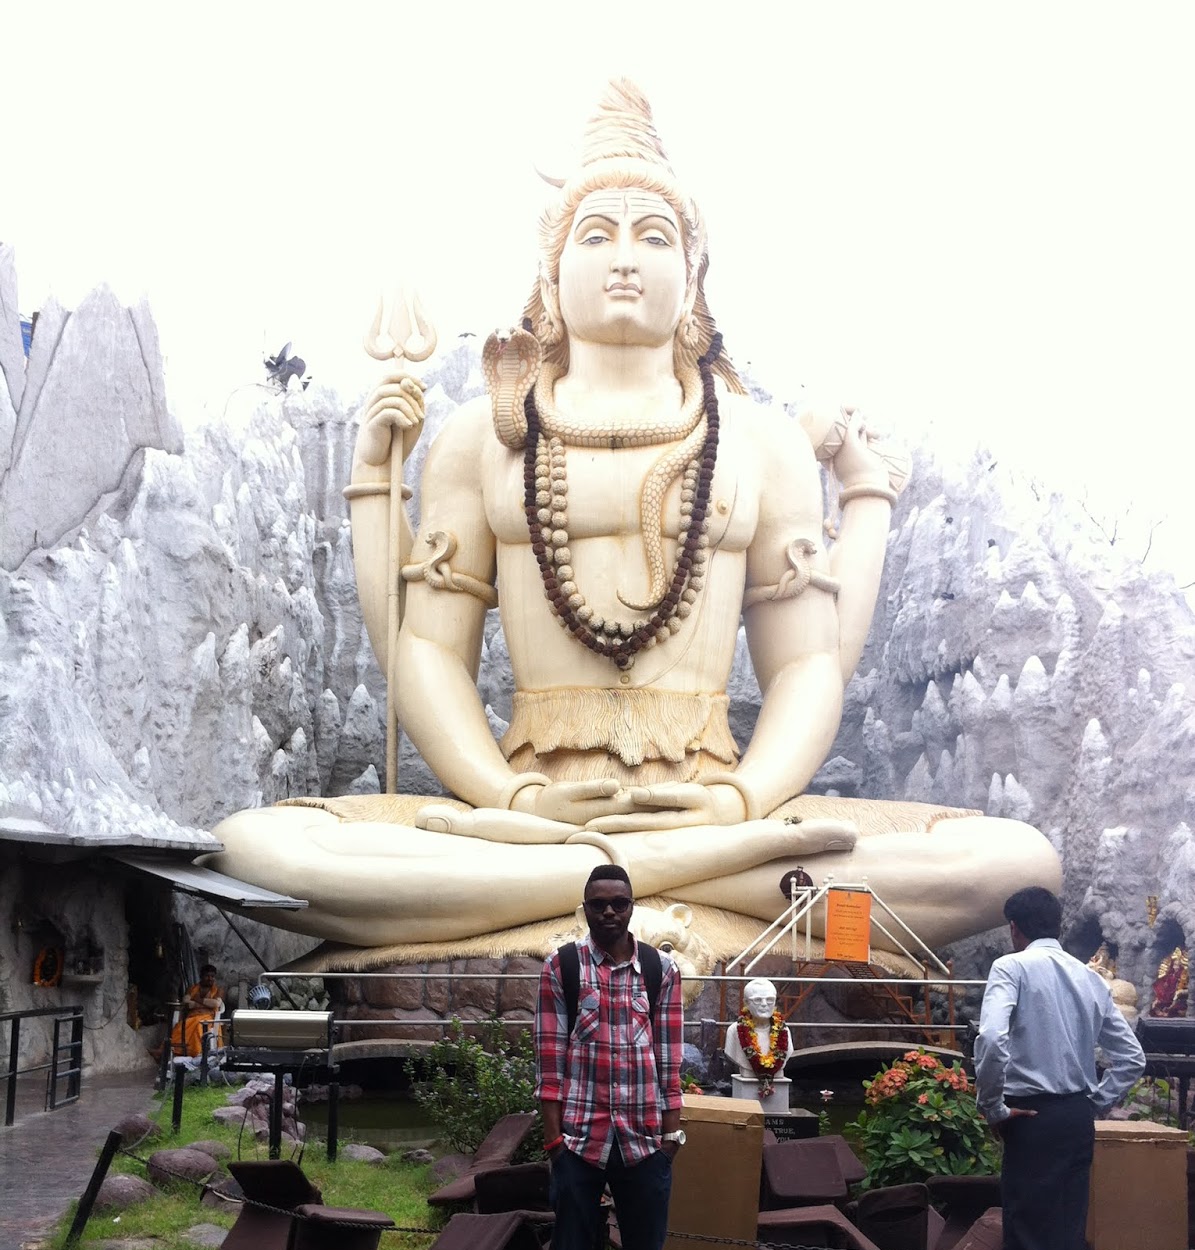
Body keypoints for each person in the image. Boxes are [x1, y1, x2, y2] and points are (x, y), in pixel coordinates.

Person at [213, 80, 1059, 954]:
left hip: (709, 802)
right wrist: (508, 799)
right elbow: (424, 650)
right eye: (597, 234)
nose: (624, 258)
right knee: (258, 848)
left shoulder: (759, 442)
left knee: (1011, 861)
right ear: (551, 273)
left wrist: (739, 801)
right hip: (535, 808)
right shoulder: (478, 437)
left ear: (691, 278)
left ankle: (582, 888)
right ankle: (654, 880)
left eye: (653, 237)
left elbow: (808, 665)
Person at [535, 864, 683, 1250]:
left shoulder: (658, 970)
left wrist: (671, 1139)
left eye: (619, 902)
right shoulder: (564, 969)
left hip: (645, 1142)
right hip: (579, 1140)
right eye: (598, 904)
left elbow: (670, 1062)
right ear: (585, 908)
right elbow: (550, 1066)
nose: (609, 912)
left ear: (632, 905)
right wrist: (554, 1144)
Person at [973, 886, 1145, 1250]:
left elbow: (992, 1039)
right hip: (1075, 1117)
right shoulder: (1089, 977)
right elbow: (1131, 1058)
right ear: (1057, 925)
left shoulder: (1011, 966)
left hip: (1029, 1115)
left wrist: (992, 1106)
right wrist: (1096, 1102)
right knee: (1068, 1233)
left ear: (1015, 928)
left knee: (1030, 1235)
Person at [170, 963, 225, 1059]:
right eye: (207, 976)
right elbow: (186, 1001)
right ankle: (171, 1050)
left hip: (208, 1019)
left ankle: (195, 1054)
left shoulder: (218, 990)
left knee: (199, 1026)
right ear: (201, 976)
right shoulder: (192, 989)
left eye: (212, 976)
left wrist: (197, 1001)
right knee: (180, 1027)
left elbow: (216, 1004)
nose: (210, 978)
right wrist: (204, 1003)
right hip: (192, 1017)